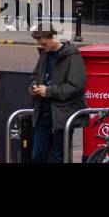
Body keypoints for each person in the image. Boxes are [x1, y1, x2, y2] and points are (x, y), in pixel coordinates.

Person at [28, 24, 86, 163]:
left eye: (44, 43)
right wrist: (33, 85)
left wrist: (48, 91)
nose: (41, 46)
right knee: (37, 156)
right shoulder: (44, 55)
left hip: (62, 114)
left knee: (60, 156)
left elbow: (76, 86)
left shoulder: (72, 56)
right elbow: (35, 75)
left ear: (53, 37)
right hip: (43, 113)